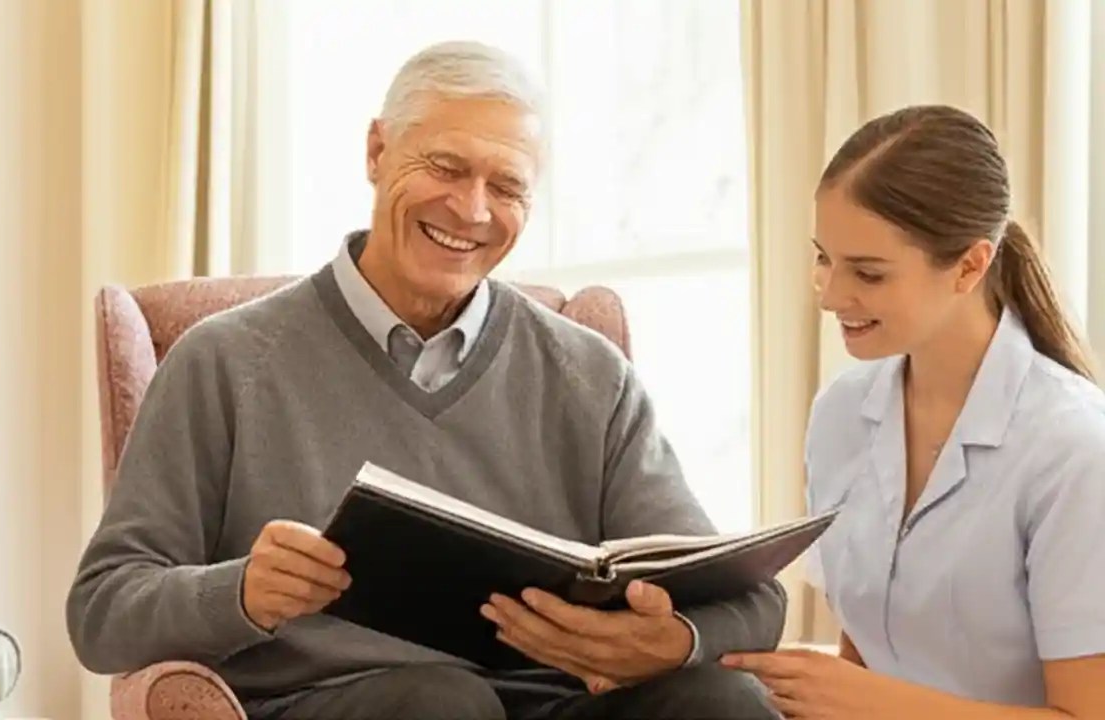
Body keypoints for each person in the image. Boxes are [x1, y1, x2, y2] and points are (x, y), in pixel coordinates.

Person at [66, 40, 785, 720]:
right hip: (343, 703)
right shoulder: (223, 362)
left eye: (506, 186)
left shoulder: (589, 376)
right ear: (377, 151)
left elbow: (753, 600)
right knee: (440, 704)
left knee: (725, 703)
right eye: (445, 167)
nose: (472, 210)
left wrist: (671, 640)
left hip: (551, 701)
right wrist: (242, 591)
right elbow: (101, 613)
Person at [721, 104, 1105, 718]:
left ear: (970, 266)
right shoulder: (841, 414)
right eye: (824, 259)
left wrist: (871, 701)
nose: (830, 295)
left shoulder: (1073, 448)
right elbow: (864, 655)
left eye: (868, 274)